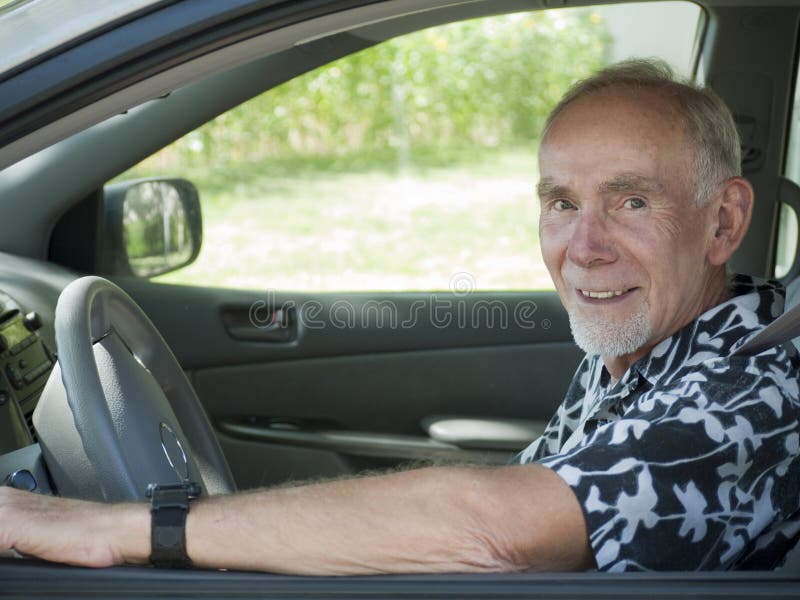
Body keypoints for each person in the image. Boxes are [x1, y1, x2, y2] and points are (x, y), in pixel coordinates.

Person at [1, 58, 799, 573]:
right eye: (561, 203)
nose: (584, 247)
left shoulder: (759, 392)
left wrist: (123, 529)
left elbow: (495, 527)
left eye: (631, 201)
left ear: (723, 223)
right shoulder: (644, 347)